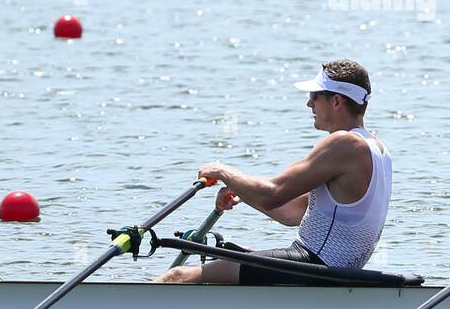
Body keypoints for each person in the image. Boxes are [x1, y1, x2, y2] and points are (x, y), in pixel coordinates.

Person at [155, 59, 391, 284]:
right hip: (329, 269)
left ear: (337, 101)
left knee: (176, 276)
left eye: (314, 97)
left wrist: (223, 171)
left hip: (312, 265)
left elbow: (273, 193)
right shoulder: (377, 148)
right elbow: (293, 213)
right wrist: (241, 192)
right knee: (222, 259)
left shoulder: (344, 144)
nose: (309, 104)